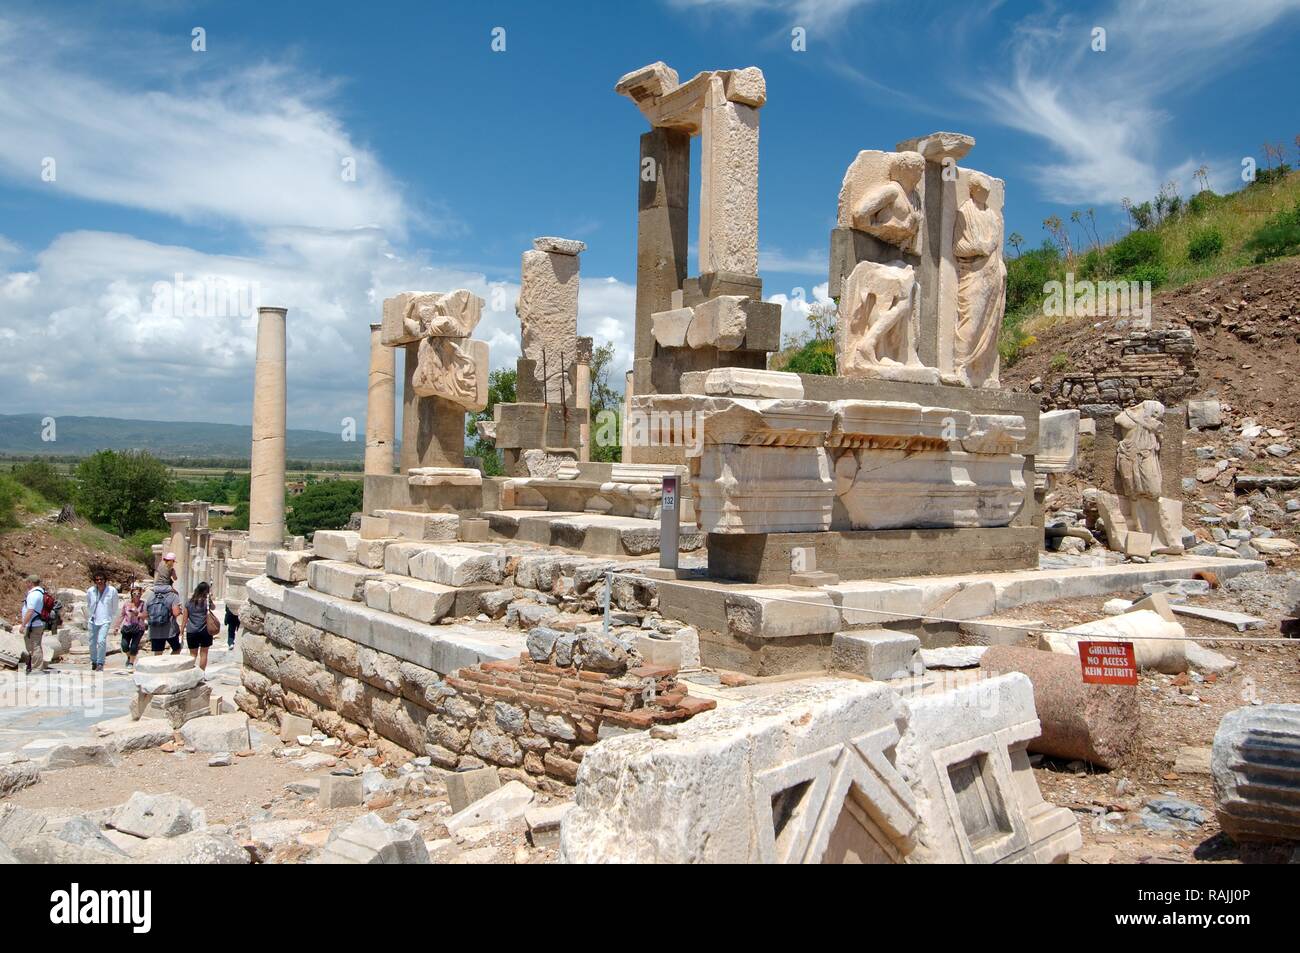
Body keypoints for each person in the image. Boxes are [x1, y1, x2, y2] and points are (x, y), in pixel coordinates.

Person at [84, 570, 120, 673]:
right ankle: (94, 661)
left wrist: (110, 616)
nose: (99, 581)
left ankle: (100, 662)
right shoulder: (91, 591)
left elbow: (115, 605)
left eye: (101, 579)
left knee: (101, 641)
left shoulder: (112, 591)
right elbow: (89, 603)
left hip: (105, 619)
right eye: (97, 580)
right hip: (93, 619)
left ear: (105, 580)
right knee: (92, 642)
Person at [180, 581, 215, 671]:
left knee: (192, 655)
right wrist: (210, 599)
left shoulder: (189, 602)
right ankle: (201, 674)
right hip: (205, 631)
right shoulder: (206, 602)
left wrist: (181, 631)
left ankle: (192, 674)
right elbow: (213, 608)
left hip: (191, 631)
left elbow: (184, 619)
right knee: (204, 654)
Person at [18, 574, 47, 675]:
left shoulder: (34, 594)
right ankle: (33, 665)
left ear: (30, 582)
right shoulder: (39, 592)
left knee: (35, 646)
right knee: (33, 646)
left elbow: (30, 611)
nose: (26, 584)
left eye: (27, 582)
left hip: (33, 624)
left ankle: (37, 669)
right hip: (35, 623)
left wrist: (23, 625)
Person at [145, 581, 182, 655]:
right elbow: (176, 613)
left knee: (158, 653)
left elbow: (145, 613)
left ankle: (159, 665)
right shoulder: (173, 596)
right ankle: (170, 663)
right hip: (170, 630)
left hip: (154, 629)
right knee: (177, 649)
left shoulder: (150, 595)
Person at [115, 583, 147, 668]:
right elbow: (122, 615)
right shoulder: (126, 604)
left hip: (139, 627)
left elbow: (146, 615)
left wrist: (138, 614)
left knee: (134, 646)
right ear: (131, 595)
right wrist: (117, 626)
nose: (137, 595)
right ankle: (129, 656)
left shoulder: (143, 604)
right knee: (124, 646)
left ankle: (131, 663)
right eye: (135, 594)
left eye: (138, 594)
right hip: (127, 627)